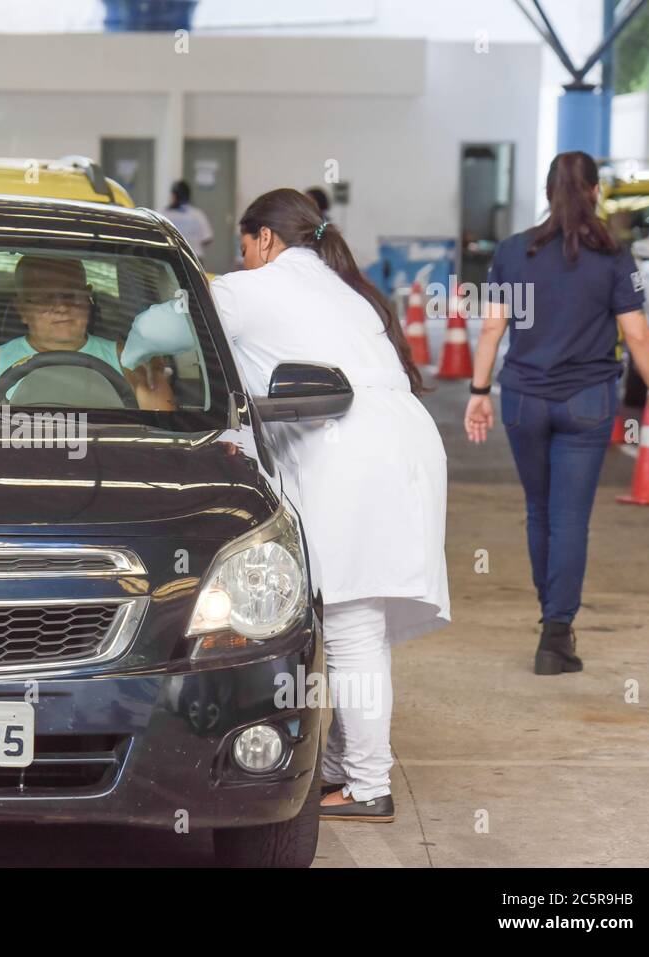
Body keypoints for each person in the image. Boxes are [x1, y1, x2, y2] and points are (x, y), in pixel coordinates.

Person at [209, 188, 450, 823]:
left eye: (244, 248)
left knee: (349, 624)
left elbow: (165, 323)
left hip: (356, 455)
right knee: (356, 620)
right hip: (402, 445)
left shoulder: (251, 288)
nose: (243, 260)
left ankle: (369, 785)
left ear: (265, 239)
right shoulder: (345, 289)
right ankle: (345, 767)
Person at [465, 151, 649, 675]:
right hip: (587, 402)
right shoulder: (614, 255)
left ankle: (549, 616)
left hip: (523, 400)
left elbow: (493, 328)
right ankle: (557, 635)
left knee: (540, 511)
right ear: (595, 192)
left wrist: (478, 391)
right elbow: (639, 333)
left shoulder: (514, 252)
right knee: (571, 518)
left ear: (547, 190)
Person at [0, 255, 174, 410]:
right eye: (45, 297)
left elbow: (162, 433)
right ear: (22, 309)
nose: (61, 307)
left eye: (70, 295)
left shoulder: (128, 358)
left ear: (88, 298)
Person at [163, 180, 214, 260]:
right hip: (194, 258)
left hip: (170, 257)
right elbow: (207, 238)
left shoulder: (163, 213)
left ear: (174, 196)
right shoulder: (197, 214)